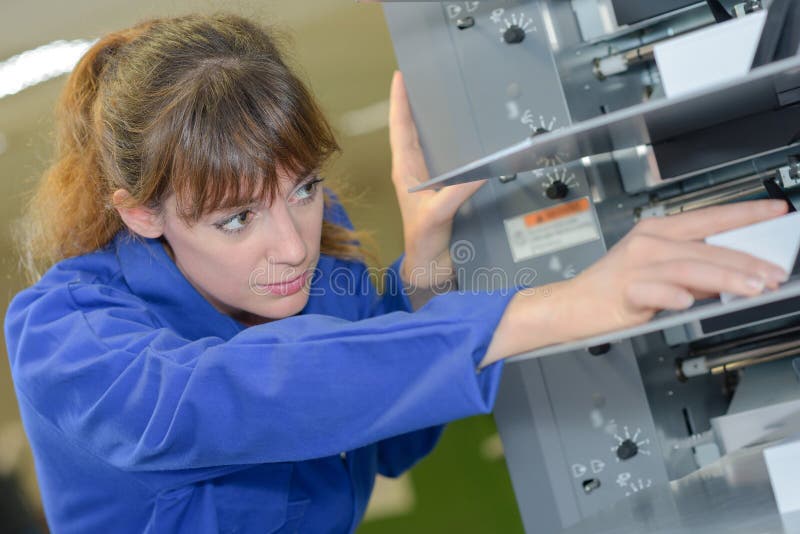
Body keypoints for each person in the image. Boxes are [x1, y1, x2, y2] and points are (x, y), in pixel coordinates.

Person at [3, 13, 790, 534]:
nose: (292, 246)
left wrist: (423, 260)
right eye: (235, 219)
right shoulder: (64, 334)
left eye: (305, 188)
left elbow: (392, 445)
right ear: (141, 215)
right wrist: (551, 310)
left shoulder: (319, 260)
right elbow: (226, 398)